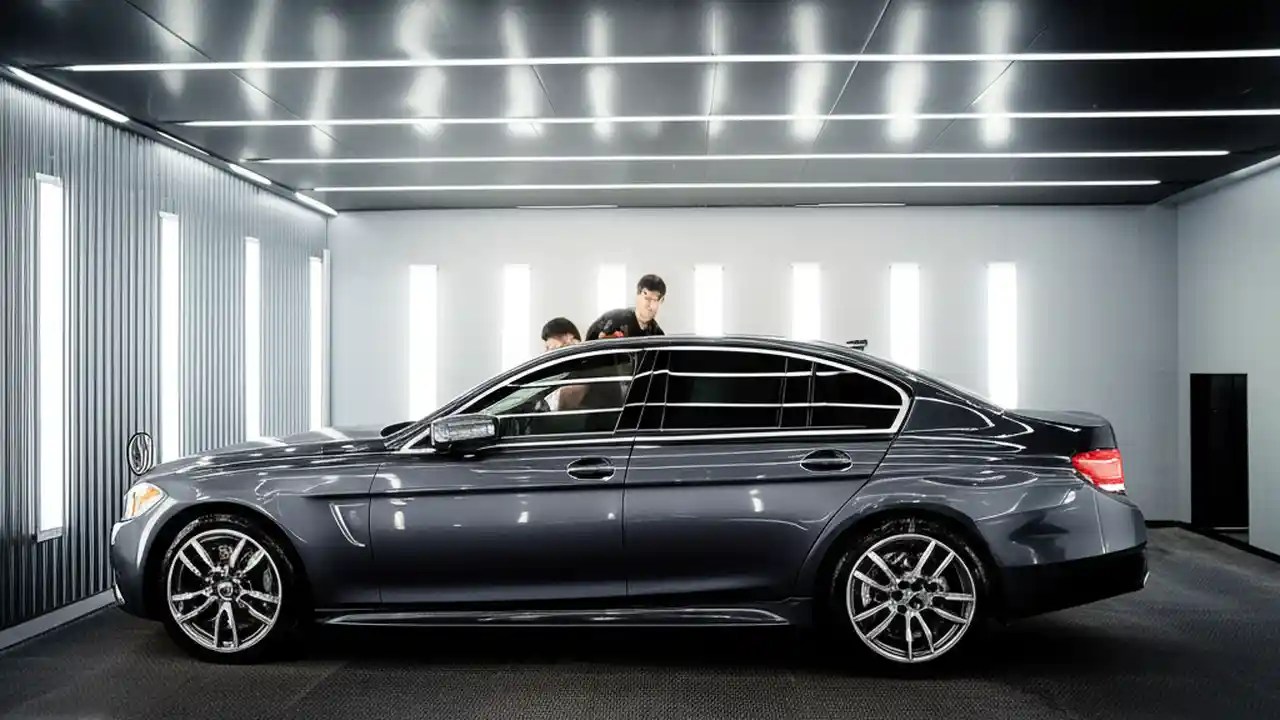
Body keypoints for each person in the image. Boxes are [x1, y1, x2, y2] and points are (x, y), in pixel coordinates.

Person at [585, 274, 666, 340]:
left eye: (655, 300)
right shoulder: (613, 320)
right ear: (637, 295)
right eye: (646, 298)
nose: (650, 304)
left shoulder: (657, 334)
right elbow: (588, 347)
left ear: (661, 300)